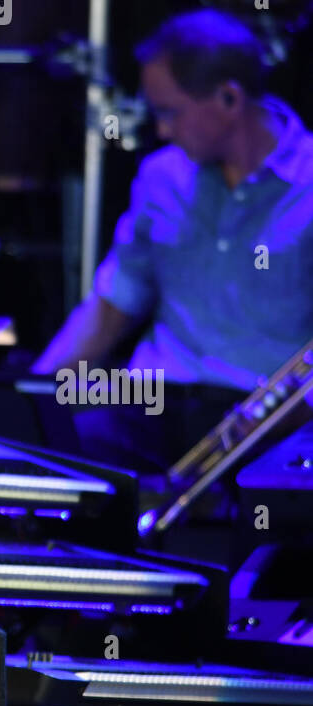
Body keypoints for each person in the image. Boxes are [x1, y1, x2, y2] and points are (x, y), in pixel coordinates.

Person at [32, 8, 313, 474]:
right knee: (65, 450)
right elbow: (111, 307)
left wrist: (282, 420)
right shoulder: (161, 176)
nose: (161, 130)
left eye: (170, 112)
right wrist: (32, 396)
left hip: (267, 415)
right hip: (153, 396)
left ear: (228, 98)